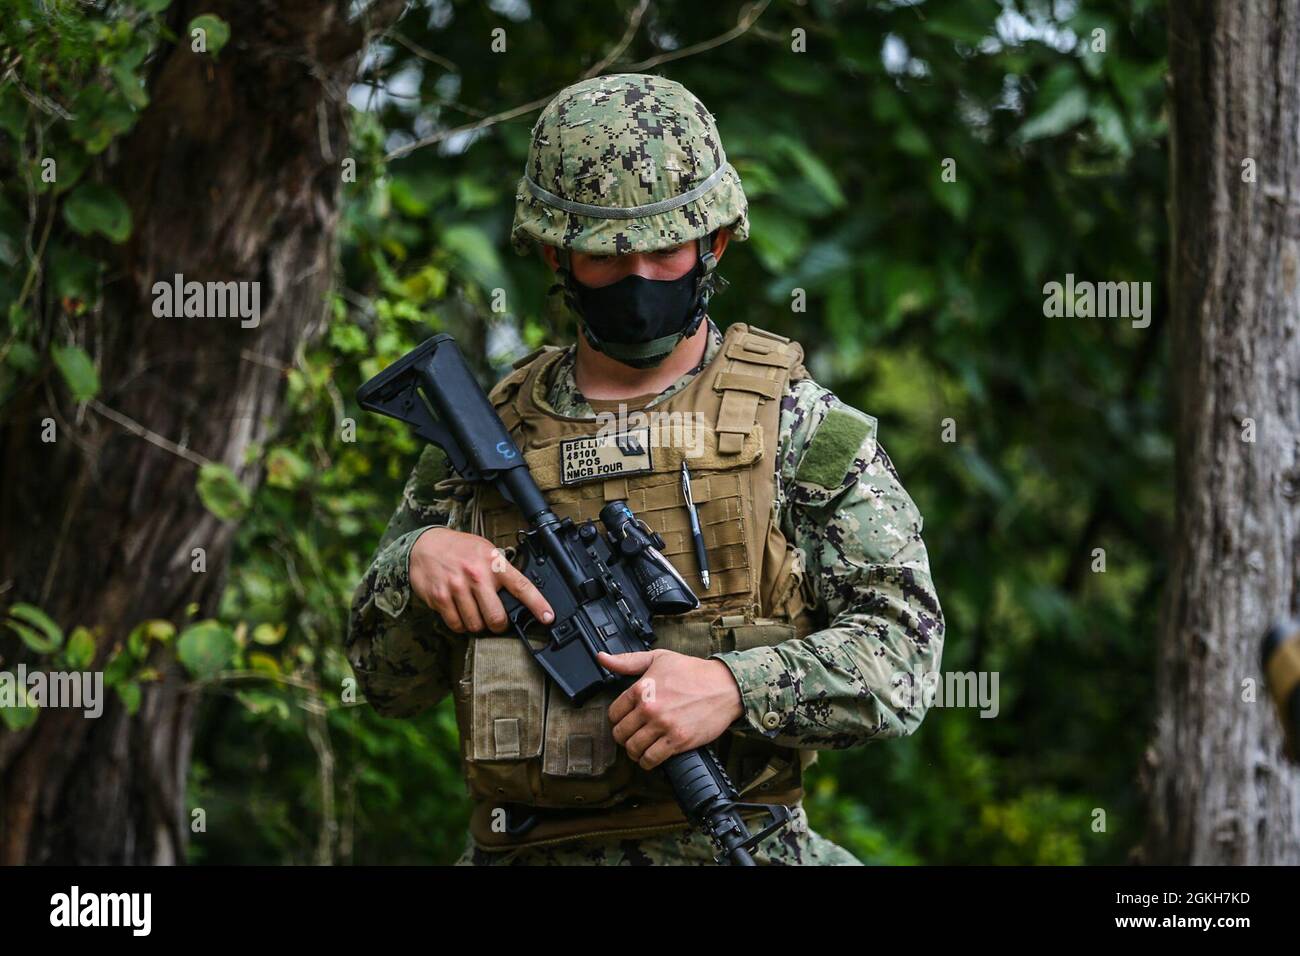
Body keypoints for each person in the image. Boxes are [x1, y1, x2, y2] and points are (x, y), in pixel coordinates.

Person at [346, 72, 944, 865]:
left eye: (664, 250)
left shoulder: (796, 426)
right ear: (557, 252)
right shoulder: (481, 435)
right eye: (606, 257)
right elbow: (384, 686)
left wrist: (735, 687)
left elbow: (904, 655)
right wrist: (416, 566)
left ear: (715, 241)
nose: (637, 279)